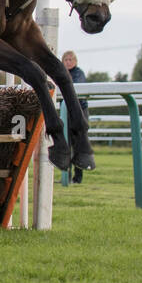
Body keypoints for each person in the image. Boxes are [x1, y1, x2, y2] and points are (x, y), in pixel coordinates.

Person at [63, 50, 89, 183]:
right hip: (66, 111)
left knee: (78, 144)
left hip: (79, 112)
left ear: (75, 61)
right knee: (66, 144)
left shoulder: (79, 73)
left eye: (70, 60)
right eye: (66, 60)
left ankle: (78, 178)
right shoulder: (61, 72)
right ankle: (65, 176)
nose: (68, 62)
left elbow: (75, 88)